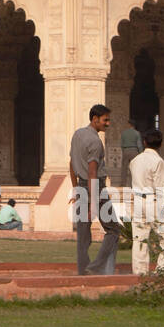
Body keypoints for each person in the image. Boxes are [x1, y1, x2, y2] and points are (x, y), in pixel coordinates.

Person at [71, 103, 120, 276]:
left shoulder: (78, 134)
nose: (108, 124)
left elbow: (71, 163)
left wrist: (76, 188)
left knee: (83, 233)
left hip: (82, 186)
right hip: (95, 188)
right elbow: (92, 172)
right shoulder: (95, 142)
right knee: (113, 229)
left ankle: (83, 271)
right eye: (105, 120)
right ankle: (96, 266)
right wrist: (93, 202)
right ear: (95, 119)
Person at [129, 129, 164, 274]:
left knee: (139, 240)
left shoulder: (135, 161)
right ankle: (163, 271)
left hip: (139, 201)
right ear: (161, 144)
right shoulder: (158, 161)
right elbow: (160, 185)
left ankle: (139, 274)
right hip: (153, 201)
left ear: (144, 142)